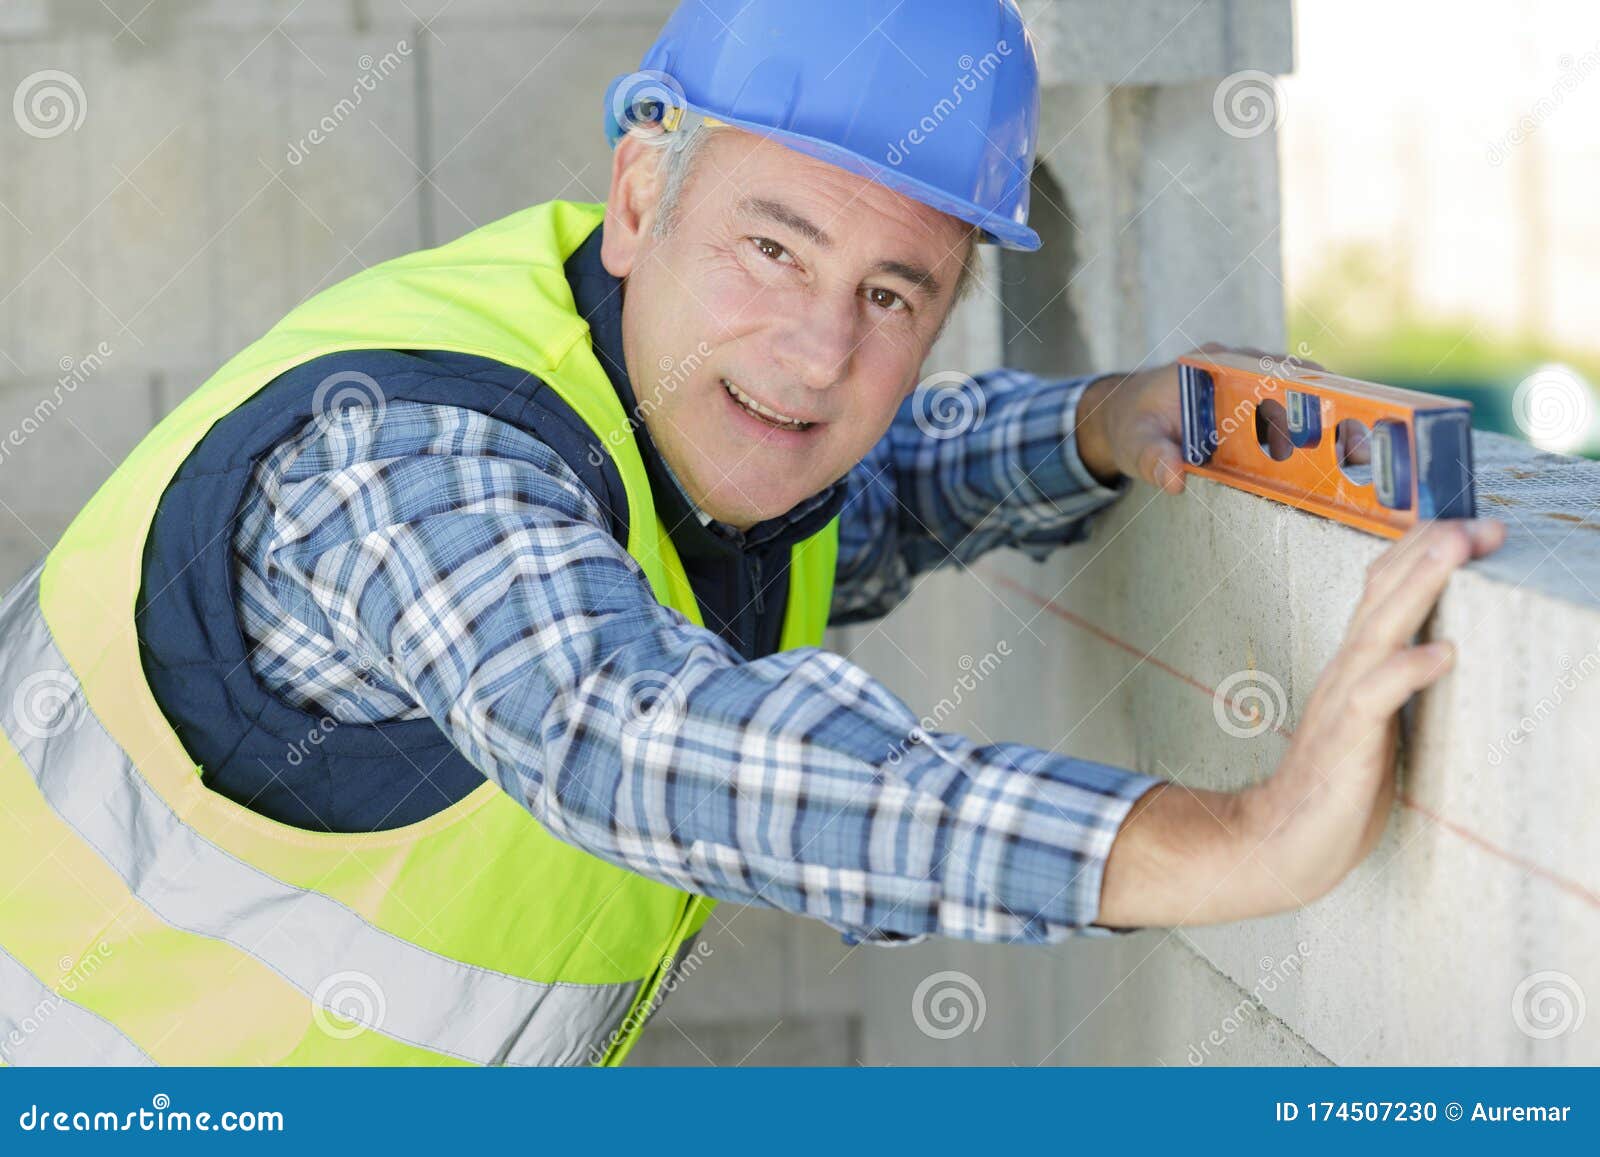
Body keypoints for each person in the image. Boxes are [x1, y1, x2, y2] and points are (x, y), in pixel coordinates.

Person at [0, 0, 1502, 1067]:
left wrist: (1103, 421)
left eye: (893, 296)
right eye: (773, 247)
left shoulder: (673, 406)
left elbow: (848, 495)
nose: (812, 354)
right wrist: (1229, 840)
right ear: (645, 190)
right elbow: (621, 734)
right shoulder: (411, 456)